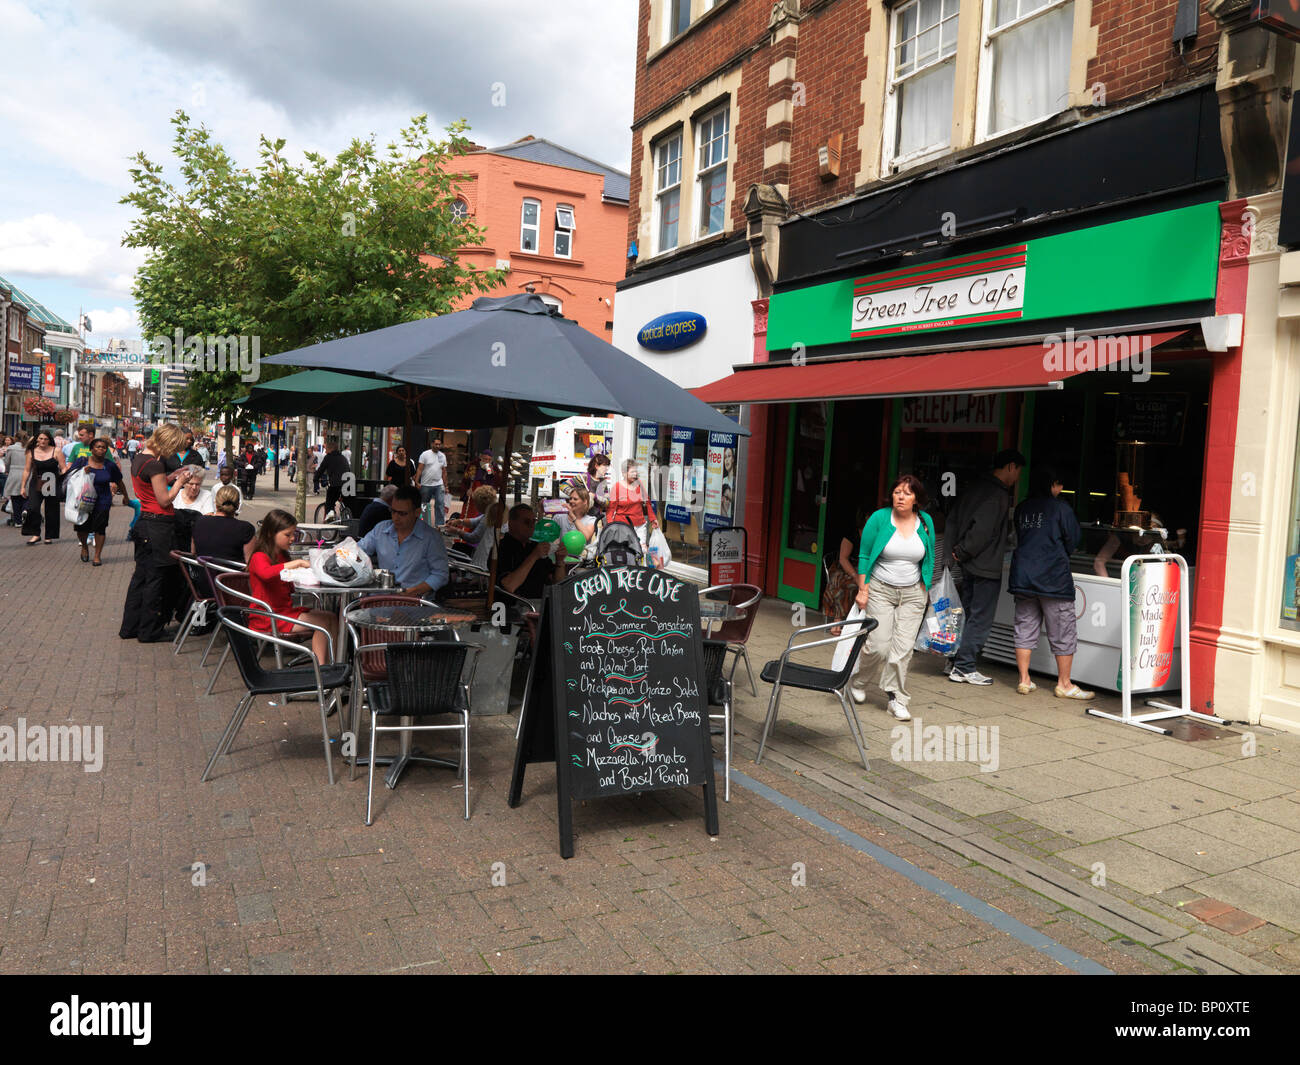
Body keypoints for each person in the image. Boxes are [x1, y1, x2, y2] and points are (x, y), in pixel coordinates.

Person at [849, 474, 936, 721]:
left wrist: (925, 585)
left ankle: (896, 698)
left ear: (917, 498)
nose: (901, 497)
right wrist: (863, 589)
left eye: (907, 493)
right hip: (880, 589)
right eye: (898, 492)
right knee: (878, 646)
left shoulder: (925, 522)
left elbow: (929, 556)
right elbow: (864, 555)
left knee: (903, 649)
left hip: (913, 593)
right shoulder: (879, 518)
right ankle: (859, 681)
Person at [1009, 466, 1096, 700]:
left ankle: (1024, 679)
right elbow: (1073, 539)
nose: (1060, 489)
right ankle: (1064, 684)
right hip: (1053, 578)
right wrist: (1059, 554)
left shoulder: (1022, 508)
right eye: (1058, 484)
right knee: (1063, 631)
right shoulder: (1061, 508)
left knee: (1024, 626)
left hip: (1024, 576)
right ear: (1052, 484)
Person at [946, 448, 1025, 686]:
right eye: (1018, 471)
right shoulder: (997, 495)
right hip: (984, 564)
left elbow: (955, 518)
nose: (1018, 477)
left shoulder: (975, 487)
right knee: (980, 617)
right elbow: (982, 531)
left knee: (968, 614)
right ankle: (964, 666)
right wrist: (963, 551)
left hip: (969, 564)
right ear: (1011, 466)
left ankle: (954, 661)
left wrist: (958, 552)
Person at [119, 424, 194, 643]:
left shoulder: (141, 459)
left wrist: (171, 477)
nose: (173, 453)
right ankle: (150, 630)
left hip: (144, 524)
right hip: (158, 525)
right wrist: (179, 482)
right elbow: (164, 499)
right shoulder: (155, 465)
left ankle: (130, 627)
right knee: (156, 579)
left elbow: (151, 486)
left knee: (140, 578)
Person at [247, 510, 338, 664]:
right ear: (270, 533)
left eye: (293, 534)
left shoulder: (281, 556)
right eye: (287, 534)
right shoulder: (259, 556)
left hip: (283, 612)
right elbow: (266, 574)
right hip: (267, 617)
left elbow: (288, 587)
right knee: (323, 623)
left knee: (332, 617)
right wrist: (297, 563)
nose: (292, 538)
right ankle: (323, 670)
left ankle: (333, 663)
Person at [356, 485, 449, 597]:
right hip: (380, 599)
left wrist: (413, 591)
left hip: (415, 603)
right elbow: (358, 550)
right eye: (393, 511)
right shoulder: (380, 530)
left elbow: (440, 574)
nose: (396, 517)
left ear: (417, 512)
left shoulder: (431, 538)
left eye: (402, 514)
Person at [68, 438, 126, 565]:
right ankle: (84, 546)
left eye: (103, 447)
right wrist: (83, 471)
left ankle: (97, 555)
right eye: (98, 447)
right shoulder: (82, 461)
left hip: (103, 500)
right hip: (84, 500)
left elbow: (119, 481)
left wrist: (125, 496)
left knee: (100, 528)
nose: (101, 449)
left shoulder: (109, 465)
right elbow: (70, 476)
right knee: (82, 527)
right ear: (91, 449)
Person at [496, 502, 567, 600]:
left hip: (539, 606)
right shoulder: (501, 548)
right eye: (526, 522)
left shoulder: (535, 546)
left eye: (533, 521)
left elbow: (557, 584)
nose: (531, 526)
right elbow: (509, 586)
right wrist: (534, 556)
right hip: (512, 607)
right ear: (511, 522)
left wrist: (560, 561)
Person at [823, 508, 865, 636]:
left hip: (864, 569)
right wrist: (855, 576)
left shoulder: (877, 535)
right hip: (846, 568)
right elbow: (843, 558)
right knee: (842, 583)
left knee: (855, 585)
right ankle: (838, 621)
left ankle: (850, 621)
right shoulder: (852, 535)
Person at [21, 430, 68, 544]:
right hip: (36, 481)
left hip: (51, 481)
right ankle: (36, 534)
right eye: (41, 438)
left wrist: (61, 478)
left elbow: (63, 468)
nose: (43, 441)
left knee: (51, 510)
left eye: (46, 439)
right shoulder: (30, 452)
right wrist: (22, 486)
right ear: (37, 439)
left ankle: (49, 535)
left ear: (49, 440)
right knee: (33, 508)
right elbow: (27, 470)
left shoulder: (56, 451)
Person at [193, 485, 255, 565]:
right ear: (238, 505)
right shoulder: (246, 529)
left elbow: (193, 552)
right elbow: (249, 563)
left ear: (215, 503)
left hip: (203, 574)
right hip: (231, 575)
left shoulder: (199, 522)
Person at [446, 485, 504, 568]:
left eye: (476, 503)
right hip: (485, 556)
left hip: (483, 561)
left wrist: (457, 531)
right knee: (458, 546)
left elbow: (473, 538)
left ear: (480, 504)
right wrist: (459, 521)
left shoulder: (488, 517)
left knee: (456, 549)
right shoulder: (491, 513)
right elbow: (474, 521)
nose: (475, 506)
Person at [605, 459, 657, 535]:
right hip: (622, 527)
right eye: (632, 472)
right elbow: (610, 510)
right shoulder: (617, 487)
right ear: (624, 473)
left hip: (640, 527)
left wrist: (653, 519)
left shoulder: (639, 483)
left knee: (641, 547)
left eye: (636, 471)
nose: (635, 474)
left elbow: (647, 502)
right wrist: (611, 527)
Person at [416, 436, 448, 525]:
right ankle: (424, 524)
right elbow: (419, 469)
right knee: (424, 505)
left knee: (440, 505)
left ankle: (440, 525)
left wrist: (446, 486)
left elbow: (444, 472)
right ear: (432, 444)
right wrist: (417, 482)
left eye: (439, 444)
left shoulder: (442, 456)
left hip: (439, 483)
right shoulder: (425, 454)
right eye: (436, 444)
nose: (438, 446)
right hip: (426, 484)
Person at [318, 439, 351, 518]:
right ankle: (346, 514)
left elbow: (321, 469)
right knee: (347, 502)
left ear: (330, 449)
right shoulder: (343, 458)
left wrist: (316, 479)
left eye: (326, 449)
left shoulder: (328, 457)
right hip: (349, 483)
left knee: (330, 501)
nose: (325, 451)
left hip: (336, 484)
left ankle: (330, 515)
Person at [4, 432, 28, 527]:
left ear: (15, 438)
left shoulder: (11, 448)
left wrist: (7, 470)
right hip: (26, 473)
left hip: (14, 473)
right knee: (26, 495)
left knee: (15, 497)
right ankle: (25, 509)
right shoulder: (29, 449)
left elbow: (7, 462)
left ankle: (18, 521)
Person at [584, 453, 611, 520]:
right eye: (605, 466)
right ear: (596, 466)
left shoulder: (603, 482)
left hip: (596, 519)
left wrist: (595, 496)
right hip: (582, 517)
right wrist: (580, 494)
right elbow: (564, 486)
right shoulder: (584, 478)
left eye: (607, 466)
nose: (607, 469)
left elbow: (607, 502)